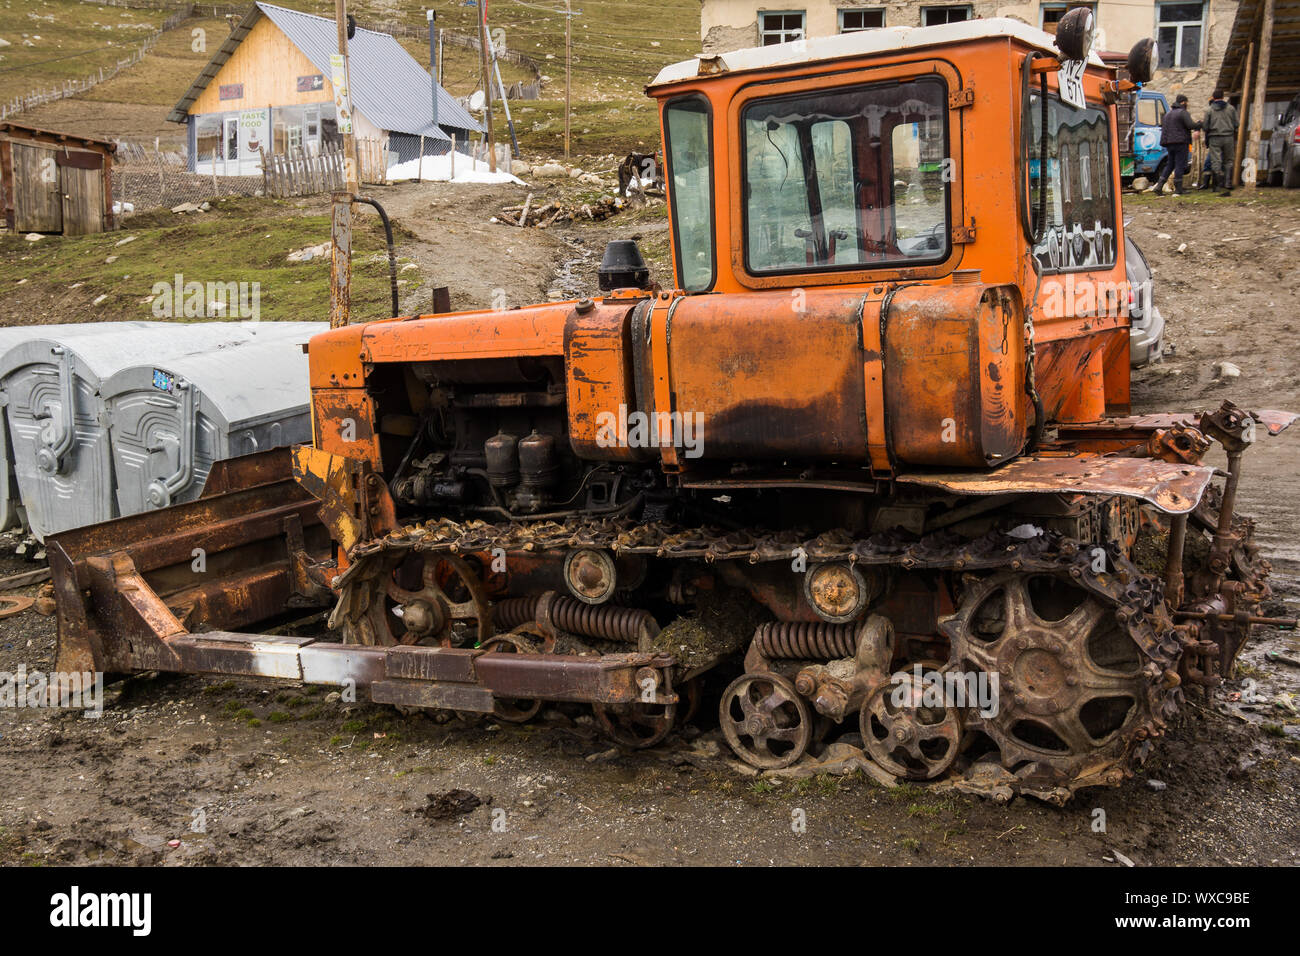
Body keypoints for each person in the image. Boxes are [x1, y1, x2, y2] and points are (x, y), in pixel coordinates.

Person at [1147, 94, 1201, 196]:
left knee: (1170, 164)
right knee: (1180, 164)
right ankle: (1178, 188)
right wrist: (1199, 124)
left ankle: (1159, 186)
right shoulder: (1183, 113)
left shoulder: (1168, 114)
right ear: (1183, 102)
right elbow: (1190, 125)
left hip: (1169, 143)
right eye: (1186, 102)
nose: (1187, 104)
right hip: (1180, 143)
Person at [1202, 89, 1239, 196]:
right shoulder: (1231, 109)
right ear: (1223, 97)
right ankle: (1227, 183)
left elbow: (1205, 126)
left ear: (1213, 97)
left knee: (1215, 160)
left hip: (1214, 138)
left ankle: (1216, 186)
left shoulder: (1209, 110)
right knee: (1229, 160)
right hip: (1228, 137)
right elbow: (1237, 123)